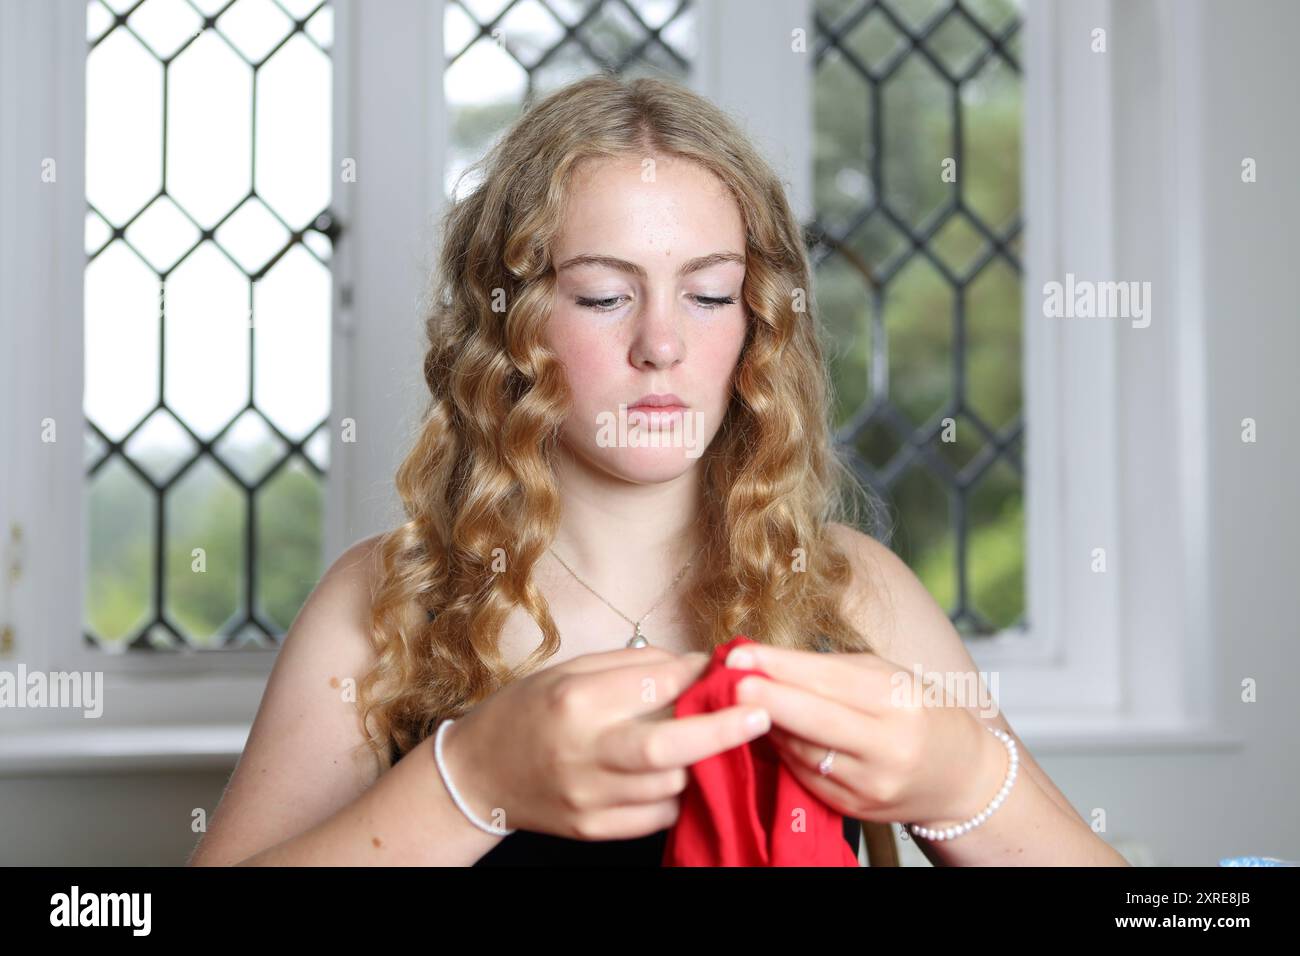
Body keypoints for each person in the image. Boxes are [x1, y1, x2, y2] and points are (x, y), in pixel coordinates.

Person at [187, 72, 1129, 867]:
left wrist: (970, 782)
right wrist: (466, 784)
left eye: (711, 293)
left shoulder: (852, 593)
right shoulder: (387, 603)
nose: (662, 344)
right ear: (508, 328)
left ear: (757, 323)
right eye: (602, 295)